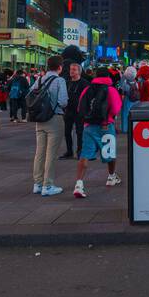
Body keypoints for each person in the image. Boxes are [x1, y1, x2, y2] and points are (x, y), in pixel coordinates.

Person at [74, 69, 122, 198]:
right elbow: (117, 108)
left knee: (85, 154)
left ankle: (79, 184)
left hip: (89, 126)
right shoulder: (111, 90)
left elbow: (80, 108)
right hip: (106, 126)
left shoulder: (87, 89)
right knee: (109, 153)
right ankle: (111, 177)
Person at [28, 56, 69, 197]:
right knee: (51, 154)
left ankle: (37, 184)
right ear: (60, 67)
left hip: (40, 119)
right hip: (54, 119)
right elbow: (63, 101)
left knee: (39, 153)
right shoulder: (59, 80)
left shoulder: (40, 79)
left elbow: (30, 95)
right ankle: (48, 185)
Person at [62, 62, 88, 159]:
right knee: (67, 132)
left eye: (74, 69)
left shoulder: (84, 83)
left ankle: (80, 151)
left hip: (79, 112)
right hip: (68, 111)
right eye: (70, 69)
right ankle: (69, 152)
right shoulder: (67, 82)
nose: (71, 71)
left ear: (79, 72)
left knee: (79, 132)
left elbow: (87, 98)